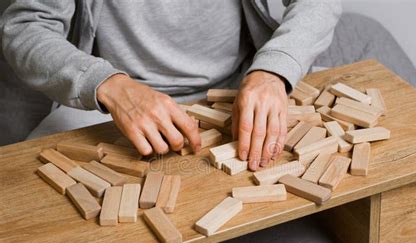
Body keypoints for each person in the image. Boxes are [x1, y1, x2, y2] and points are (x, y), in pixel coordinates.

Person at [1, 0, 341, 170]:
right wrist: (109, 86)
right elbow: (26, 27)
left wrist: (272, 71)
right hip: (109, 105)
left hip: (238, 89)